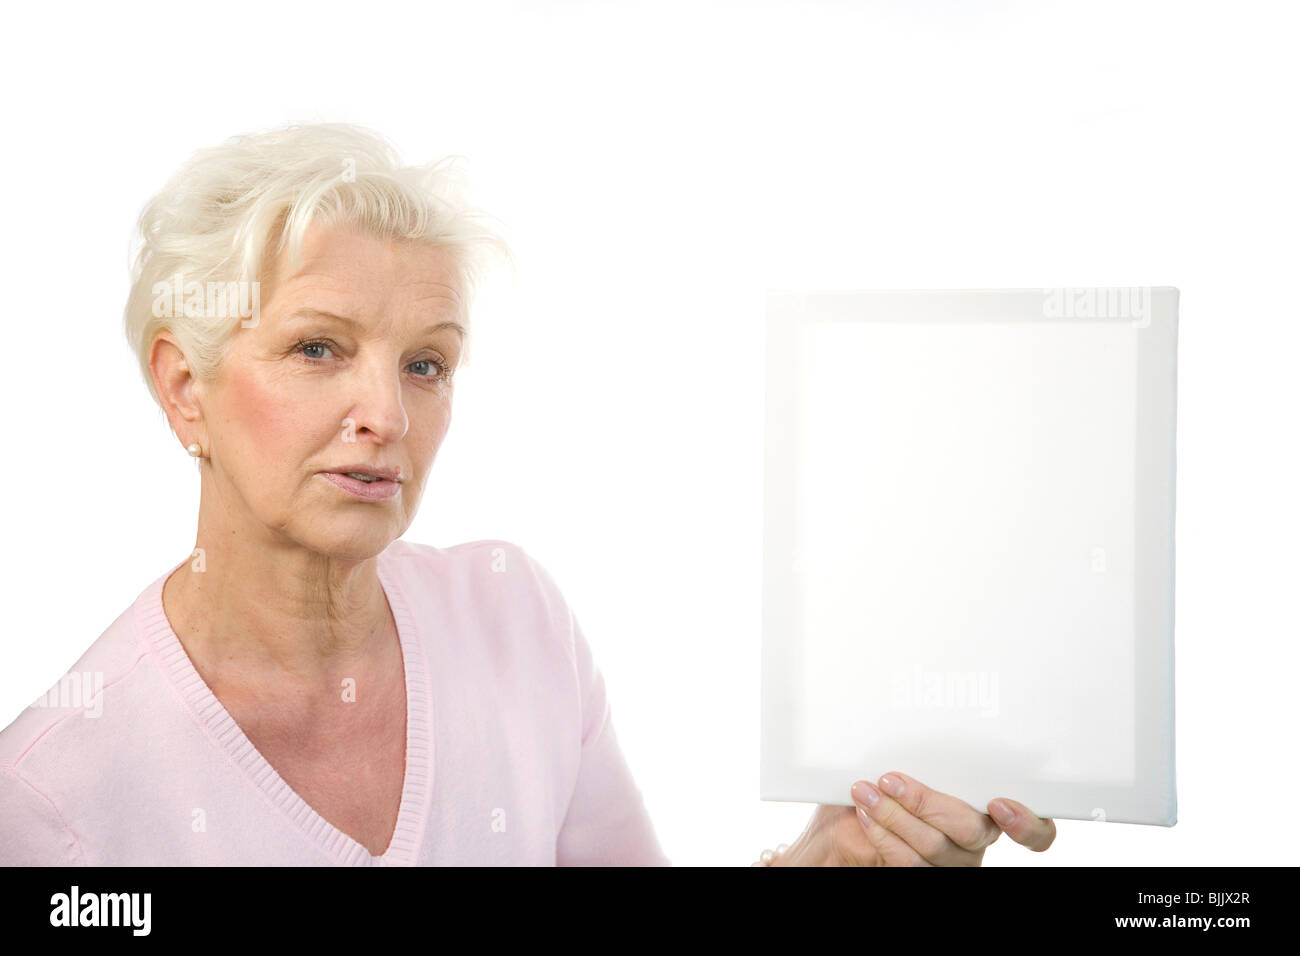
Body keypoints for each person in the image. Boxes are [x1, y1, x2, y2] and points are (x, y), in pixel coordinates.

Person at [0, 123, 1055, 866]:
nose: (387, 414)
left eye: (426, 362)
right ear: (184, 388)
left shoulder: (512, 616)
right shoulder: (51, 796)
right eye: (318, 347)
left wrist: (824, 867)